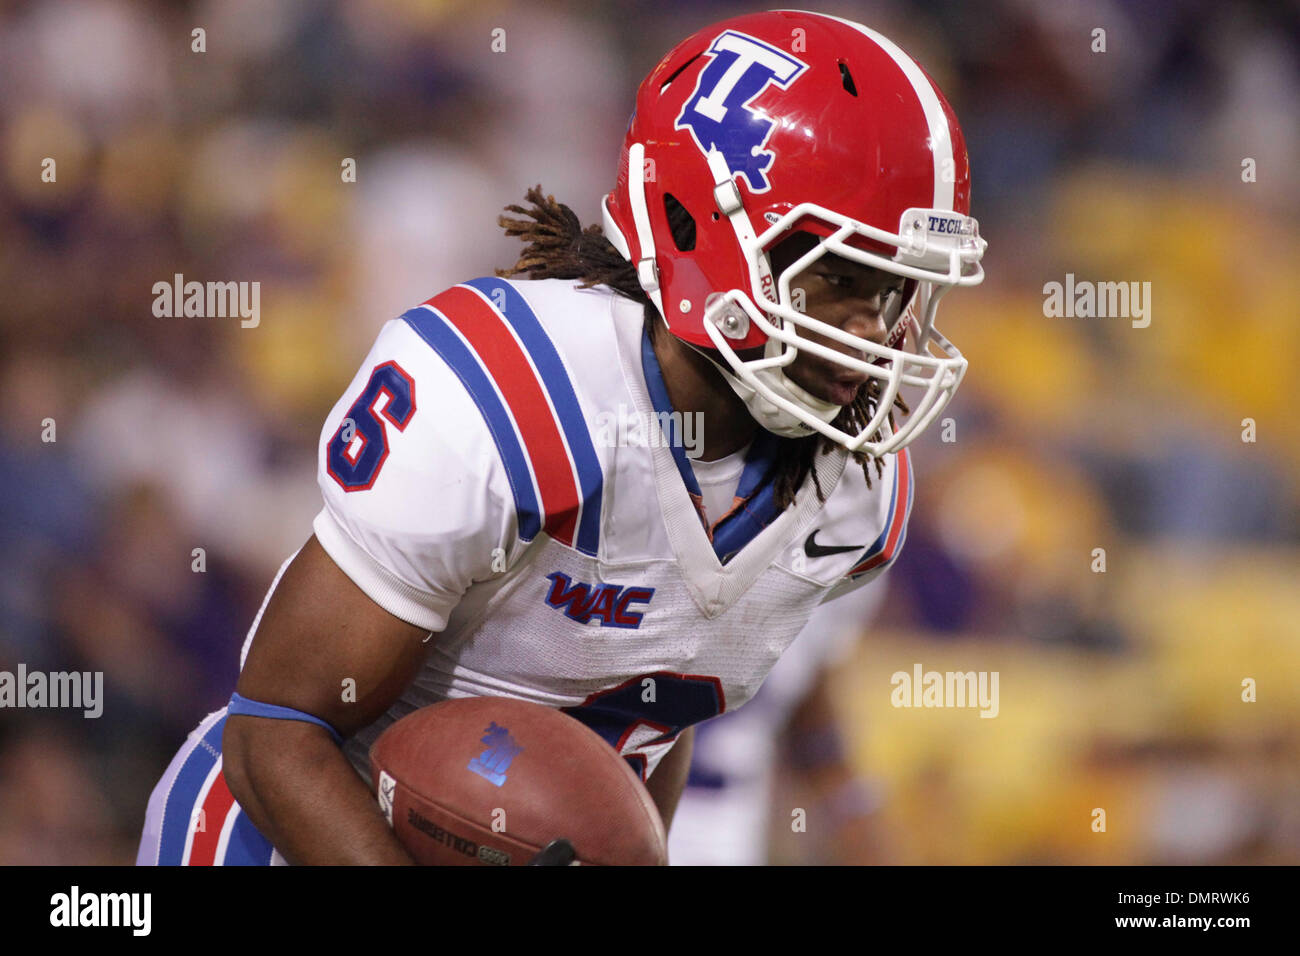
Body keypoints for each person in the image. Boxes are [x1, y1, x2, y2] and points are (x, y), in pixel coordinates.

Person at [136, 9, 985, 866]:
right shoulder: (519, 395)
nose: (875, 333)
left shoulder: (854, 497)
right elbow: (276, 729)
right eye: (841, 278)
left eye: (897, 292)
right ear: (699, 228)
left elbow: (656, 707)